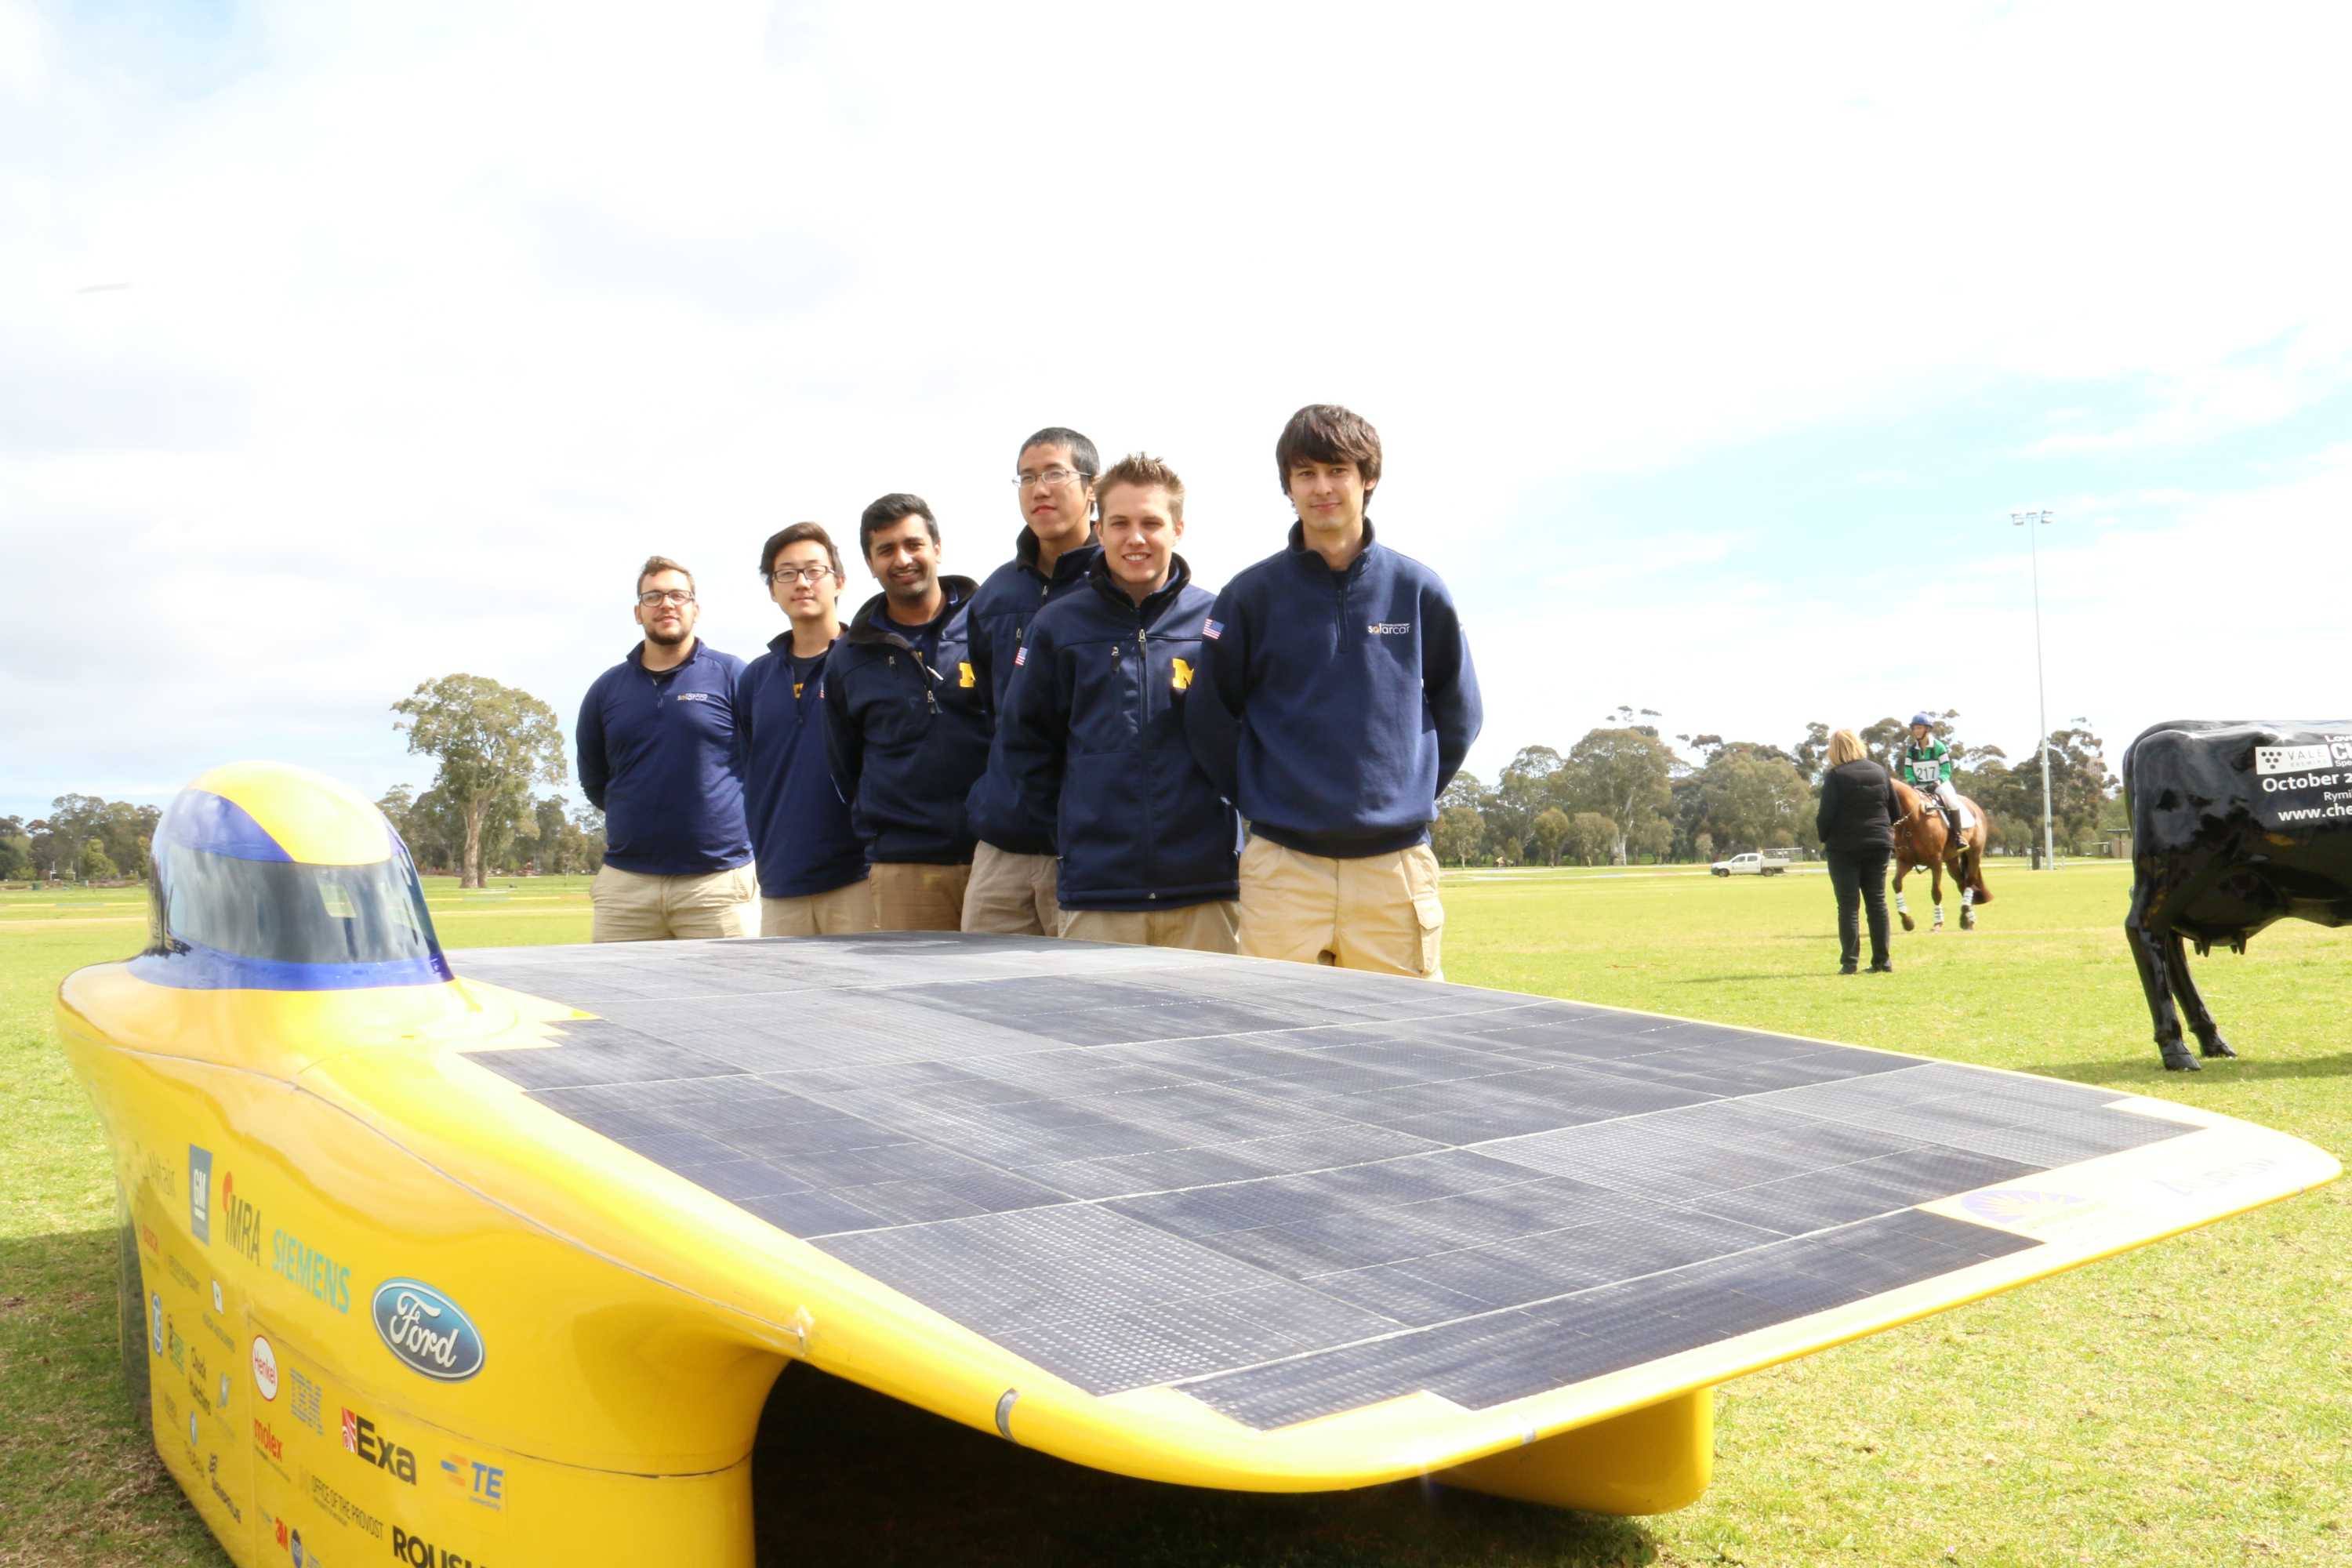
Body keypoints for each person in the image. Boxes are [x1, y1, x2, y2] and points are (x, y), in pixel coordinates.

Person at [1185, 403, 1482, 978]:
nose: (1322, 488)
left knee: (1403, 1044)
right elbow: (1209, 718)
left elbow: (1459, 711)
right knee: (1273, 1040)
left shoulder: (1418, 589)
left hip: (1395, 869)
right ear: (1287, 487)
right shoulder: (1249, 595)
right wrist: (1264, 797)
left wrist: (1405, 790)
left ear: (1367, 478)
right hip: (1283, 869)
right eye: (1305, 474)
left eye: (1338, 470)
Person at [996, 453, 1238, 950]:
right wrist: (1078, 831)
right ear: (1099, 529)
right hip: (1098, 895)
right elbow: (1025, 748)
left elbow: (1247, 741)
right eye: (1120, 523)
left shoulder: (1217, 622)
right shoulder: (1058, 628)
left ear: (1178, 528)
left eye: (1152, 522)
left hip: (1206, 891)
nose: (1136, 538)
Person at [958, 426, 1105, 935]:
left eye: (1054, 474)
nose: (1039, 489)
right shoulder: (995, 595)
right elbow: (985, 711)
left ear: (1092, 489)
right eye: (1026, 477)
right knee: (981, 1001)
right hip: (1006, 846)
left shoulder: (1116, 582)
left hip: (1092, 845)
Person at [823, 494, 990, 931]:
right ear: (870, 563)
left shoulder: (988, 625)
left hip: (997, 858)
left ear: (937, 547)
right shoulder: (848, 657)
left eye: (913, 544)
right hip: (905, 869)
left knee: (1010, 994)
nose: (902, 559)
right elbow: (845, 763)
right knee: (917, 998)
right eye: (886, 550)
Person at [575, 556, 757, 941]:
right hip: (627, 887)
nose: (667, 604)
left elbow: (763, 765)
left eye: (678, 595)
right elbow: (596, 782)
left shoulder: (733, 676)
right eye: (653, 596)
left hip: (719, 886)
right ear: (638, 612)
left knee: (736, 1001)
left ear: (696, 608)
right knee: (613, 1001)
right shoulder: (606, 690)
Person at [738, 522, 873, 935]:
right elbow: (750, 771)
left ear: (839, 581)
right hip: (781, 883)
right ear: (772, 590)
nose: (802, 582)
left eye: (814, 570)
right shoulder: (755, 679)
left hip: (859, 878)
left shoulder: (869, 662)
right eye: (787, 573)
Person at [1816, 727, 1902, 974]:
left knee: (1848, 905)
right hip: (1878, 844)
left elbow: (1826, 815)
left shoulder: (1836, 776)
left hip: (1844, 848)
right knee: (1877, 902)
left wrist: (1824, 837)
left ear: (1834, 750)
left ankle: (1850, 962)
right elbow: (1895, 811)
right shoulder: (1880, 772)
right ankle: (1882, 961)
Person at [1900, 713, 1968, 845]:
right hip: (1919, 786)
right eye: (1914, 728)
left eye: (1919, 728)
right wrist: (1912, 781)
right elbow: (1908, 770)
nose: (1916, 731)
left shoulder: (1939, 747)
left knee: (1952, 802)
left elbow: (1946, 770)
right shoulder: (1911, 750)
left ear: (1927, 729)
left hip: (1939, 784)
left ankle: (1958, 836)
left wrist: (1937, 782)